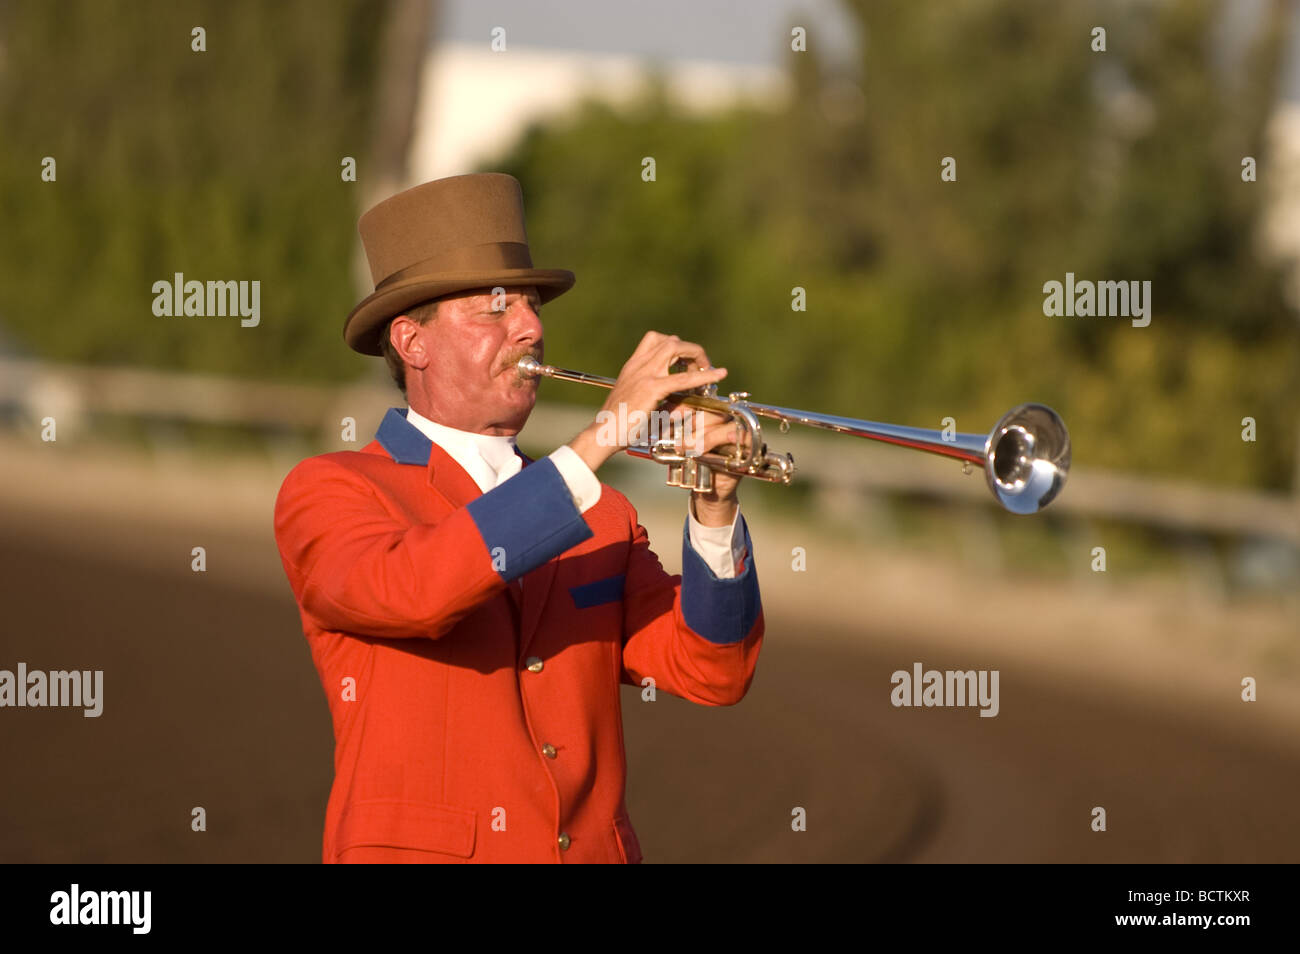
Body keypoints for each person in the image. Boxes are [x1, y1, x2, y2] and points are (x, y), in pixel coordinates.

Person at [273, 173, 764, 864]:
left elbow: (713, 673)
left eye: (532, 307)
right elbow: (418, 591)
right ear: (413, 343)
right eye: (495, 310)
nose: (532, 327)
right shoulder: (331, 491)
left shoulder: (605, 514)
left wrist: (714, 508)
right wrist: (603, 435)